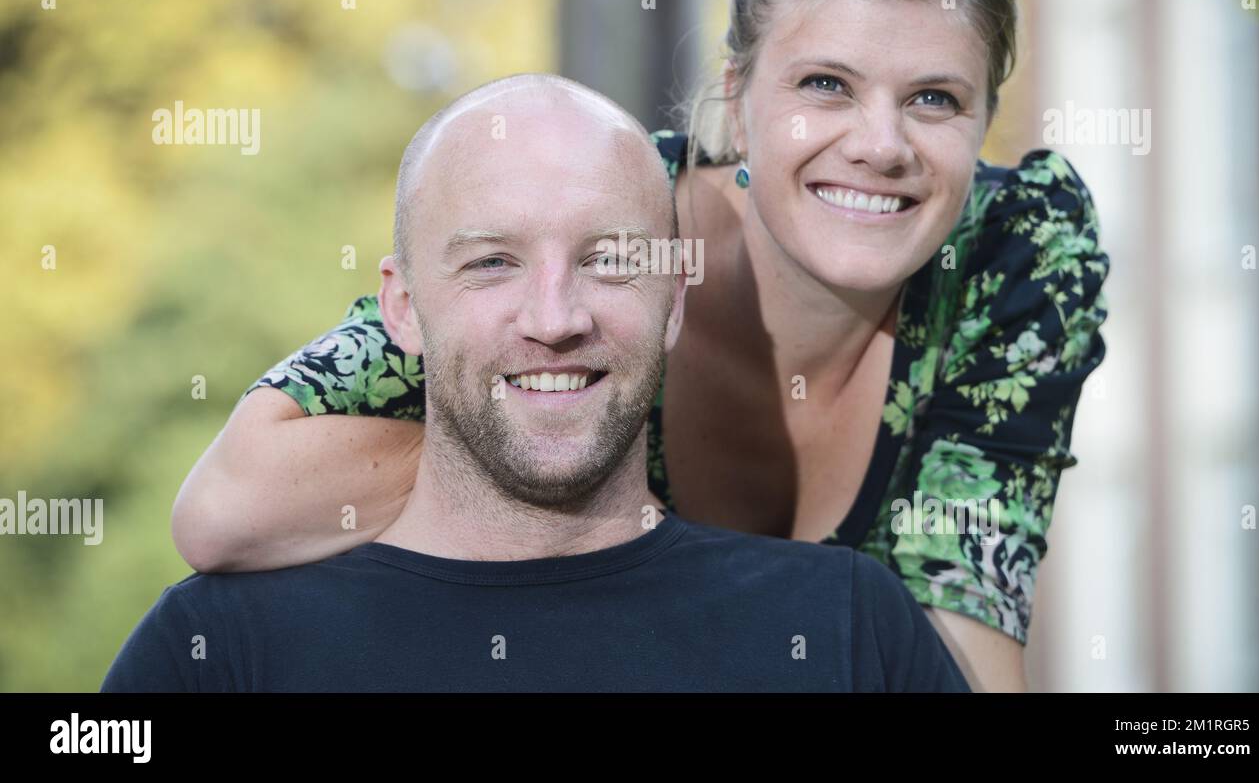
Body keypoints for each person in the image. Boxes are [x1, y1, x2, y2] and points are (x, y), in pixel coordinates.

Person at [171, 0, 1110, 691]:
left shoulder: (1014, 252)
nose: (880, 144)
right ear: (738, 104)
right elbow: (225, 506)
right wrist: (533, 437)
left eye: (934, 99)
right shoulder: (594, 220)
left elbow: (964, 615)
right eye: (826, 84)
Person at [103, 76, 970, 692]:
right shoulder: (219, 652)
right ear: (400, 307)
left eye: (608, 260)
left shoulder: (843, 628)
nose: (554, 317)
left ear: (673, 301)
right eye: (492, 262)